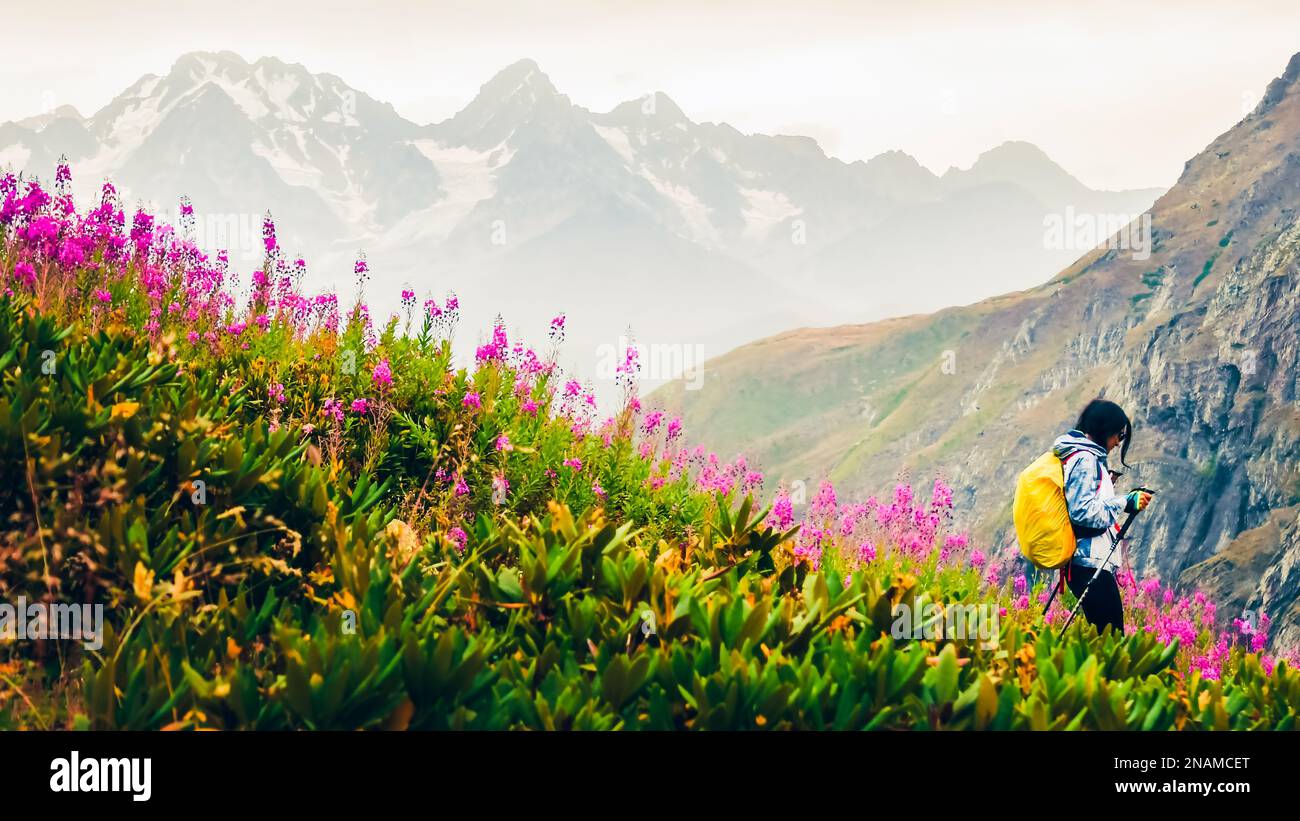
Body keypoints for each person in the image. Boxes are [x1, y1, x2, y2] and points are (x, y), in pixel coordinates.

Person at [1051, 399, 1153, 635]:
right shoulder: (1085, 459)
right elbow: (1082, 512)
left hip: (1086, 562)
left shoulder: (1084, 458)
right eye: (1118, 434)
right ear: (1103, 429)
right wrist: (1126, 502)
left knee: (1106, 636)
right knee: (1112, 640)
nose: (1118, 442)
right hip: (1088, 563)